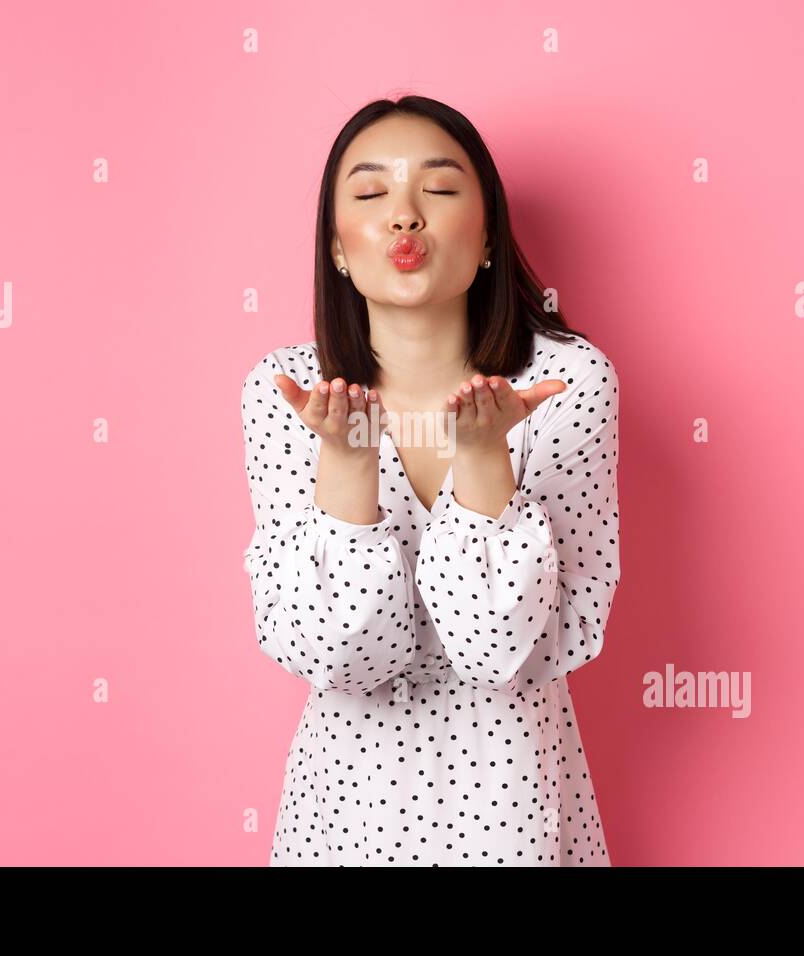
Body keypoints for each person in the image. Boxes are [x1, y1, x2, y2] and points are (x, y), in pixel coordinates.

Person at [240, 95, 620, 866]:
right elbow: (340, 660)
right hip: (342, 818)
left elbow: (504, 655)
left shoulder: (567, 383)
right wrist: (346, 465)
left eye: (440, 192)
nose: (404, 218)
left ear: (487, 237)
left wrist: (485, 461)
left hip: (510, 815)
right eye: (373, 194)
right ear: (338, 248)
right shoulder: (286, 391)